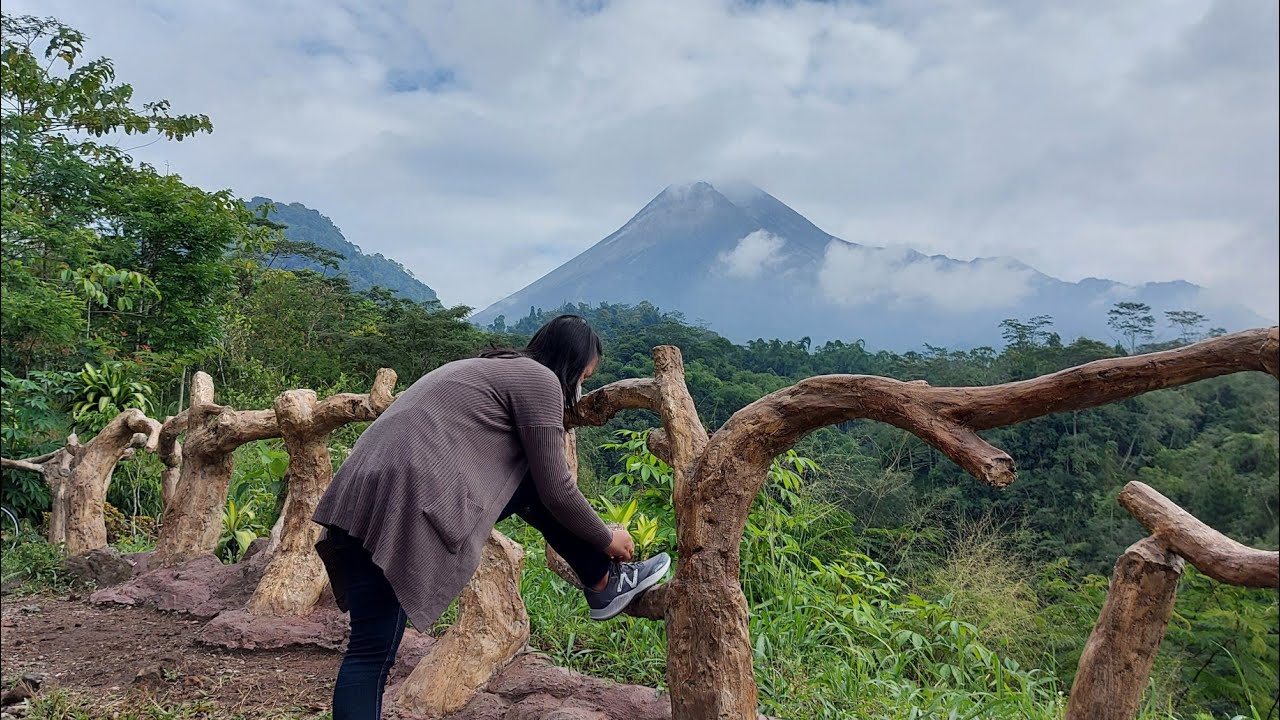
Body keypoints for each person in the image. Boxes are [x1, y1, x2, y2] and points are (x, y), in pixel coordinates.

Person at [313, 314, 671, 720]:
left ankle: (601, 578)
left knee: (367, 651)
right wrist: (607, 540)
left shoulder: (484, 368)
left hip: (355, 498)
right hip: (402, 501)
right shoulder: (539, 380)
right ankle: (605, 577)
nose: (579, 389)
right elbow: (555, 487)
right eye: (583, 379)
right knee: (373, 653)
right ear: (570, 366)